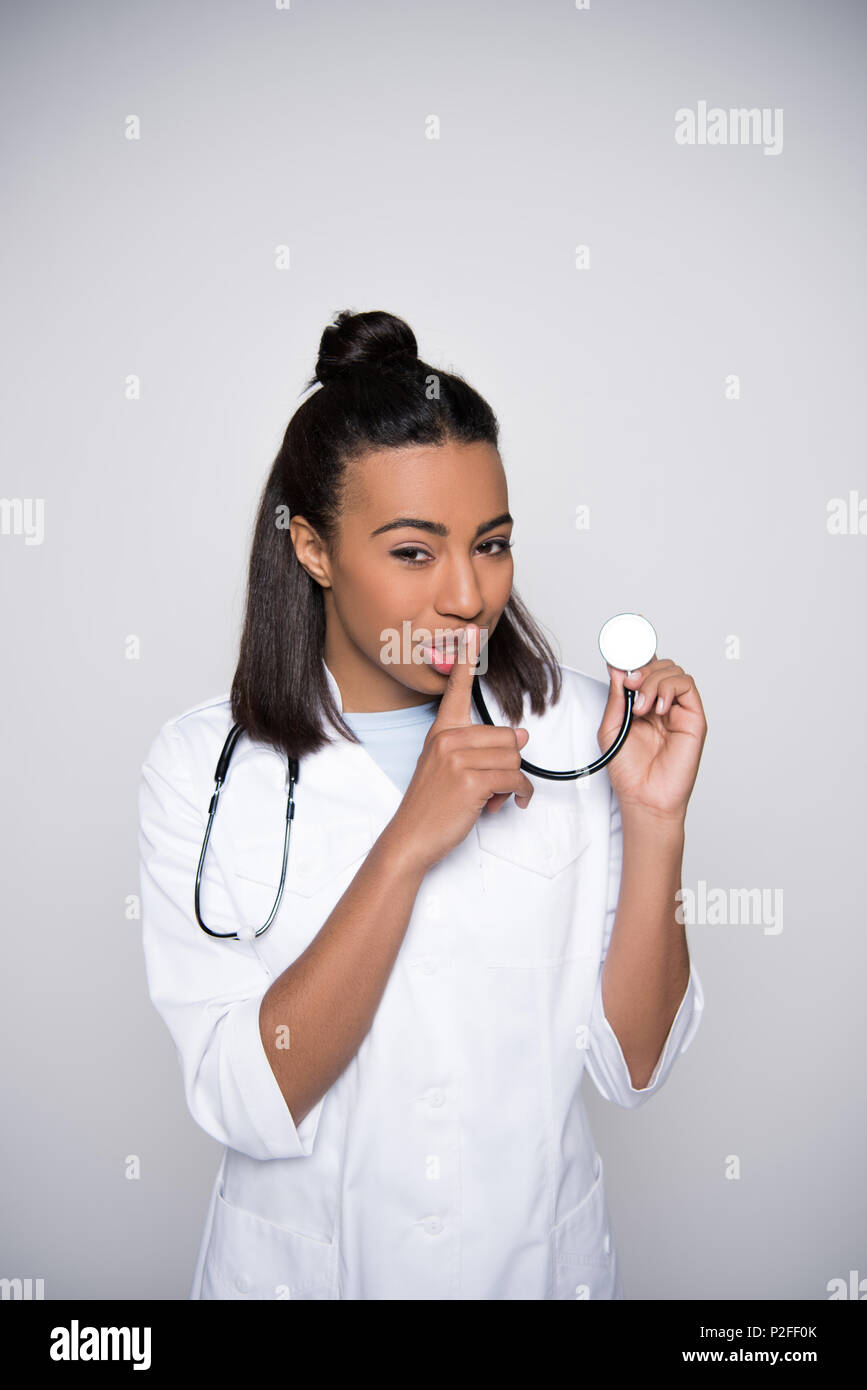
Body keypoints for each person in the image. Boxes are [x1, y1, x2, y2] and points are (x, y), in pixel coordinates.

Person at [138, 308, 707, 1301]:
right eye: (412, 552)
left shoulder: (581, 730)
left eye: (490, 544)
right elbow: (245, 1095)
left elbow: (637, 1065)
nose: (465, 596)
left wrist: (656, 823)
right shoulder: (200, 764)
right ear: (313, 549)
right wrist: (407, 842)